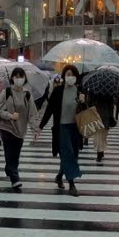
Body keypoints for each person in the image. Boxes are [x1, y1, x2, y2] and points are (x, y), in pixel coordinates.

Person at [39, 65, 87, 196]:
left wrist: (84, 102)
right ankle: (71, 184)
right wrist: (40, 126)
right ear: (64, 76)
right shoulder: (58, 91)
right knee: (68, 153)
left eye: (72, 75)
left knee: (73, 155)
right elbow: (49, 110)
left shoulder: (80, 91)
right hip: (62, 128)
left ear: (76, 77)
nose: (70, 77)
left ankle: (59, 176)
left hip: (75, 128)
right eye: (68, 74)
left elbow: (85, 112)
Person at [0, 67, 41, 190]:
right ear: (12, 78)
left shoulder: (27, 94)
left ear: (24, 79)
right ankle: (15, 178)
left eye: (21, 77)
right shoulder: (6, 92)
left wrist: (35, 128)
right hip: (6, 128)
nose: (19, 79)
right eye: (16, 77)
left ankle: (9, 168)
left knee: (15, 155)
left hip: (20, 129)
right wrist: (10, 116)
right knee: (10, 153)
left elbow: (33, 113)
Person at [89, 90, 116, 164]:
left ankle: (100, 152)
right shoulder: (109, 91)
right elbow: (111, 106)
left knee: (99, 137)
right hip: (102, 117)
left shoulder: (93, 91)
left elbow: (89, 104)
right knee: (101, 136)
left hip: (99, 116)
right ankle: (100, 152)